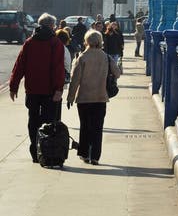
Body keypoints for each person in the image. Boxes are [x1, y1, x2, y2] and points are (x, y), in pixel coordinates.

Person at [8, 13, 65, 162]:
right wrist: (59, 89)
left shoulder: (29, 42)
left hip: (32, 89)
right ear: (52, 26)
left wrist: (13, 86)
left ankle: (34, 151)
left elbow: (19, 65)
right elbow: (58, 68)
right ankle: (44, 151)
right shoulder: (56, 43)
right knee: (48, 122)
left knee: (33, 120)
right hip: (50, 90)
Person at [66, 29, 121, 165]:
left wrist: (70, 97)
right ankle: (95, 156)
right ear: (100, 41)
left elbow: (75, 80)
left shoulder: (82, 57)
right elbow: (117, 73)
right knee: (97, 128)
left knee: (85, 126)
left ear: (87, 41)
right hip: (100, 98)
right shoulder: (106, 57)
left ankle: (84, 153)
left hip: (84, 99)